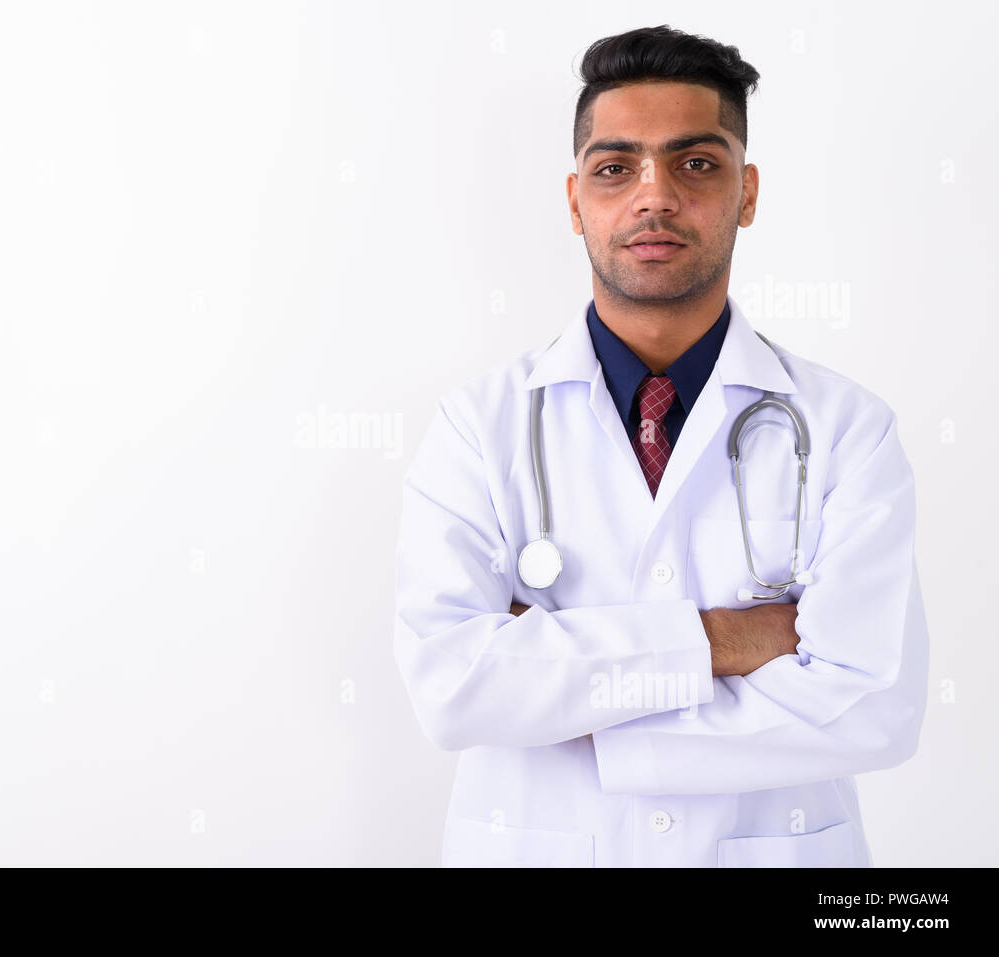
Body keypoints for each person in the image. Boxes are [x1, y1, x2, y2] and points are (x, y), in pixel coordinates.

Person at [392, 24, 928, 867]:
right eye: (616, 168)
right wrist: (728, 640)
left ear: (746, 193)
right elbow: (454, 688)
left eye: (696, 163)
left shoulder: (847, 429)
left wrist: (569, 695)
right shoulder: (478, 426)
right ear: (576, 202)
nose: (655, 196)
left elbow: (872, 703)